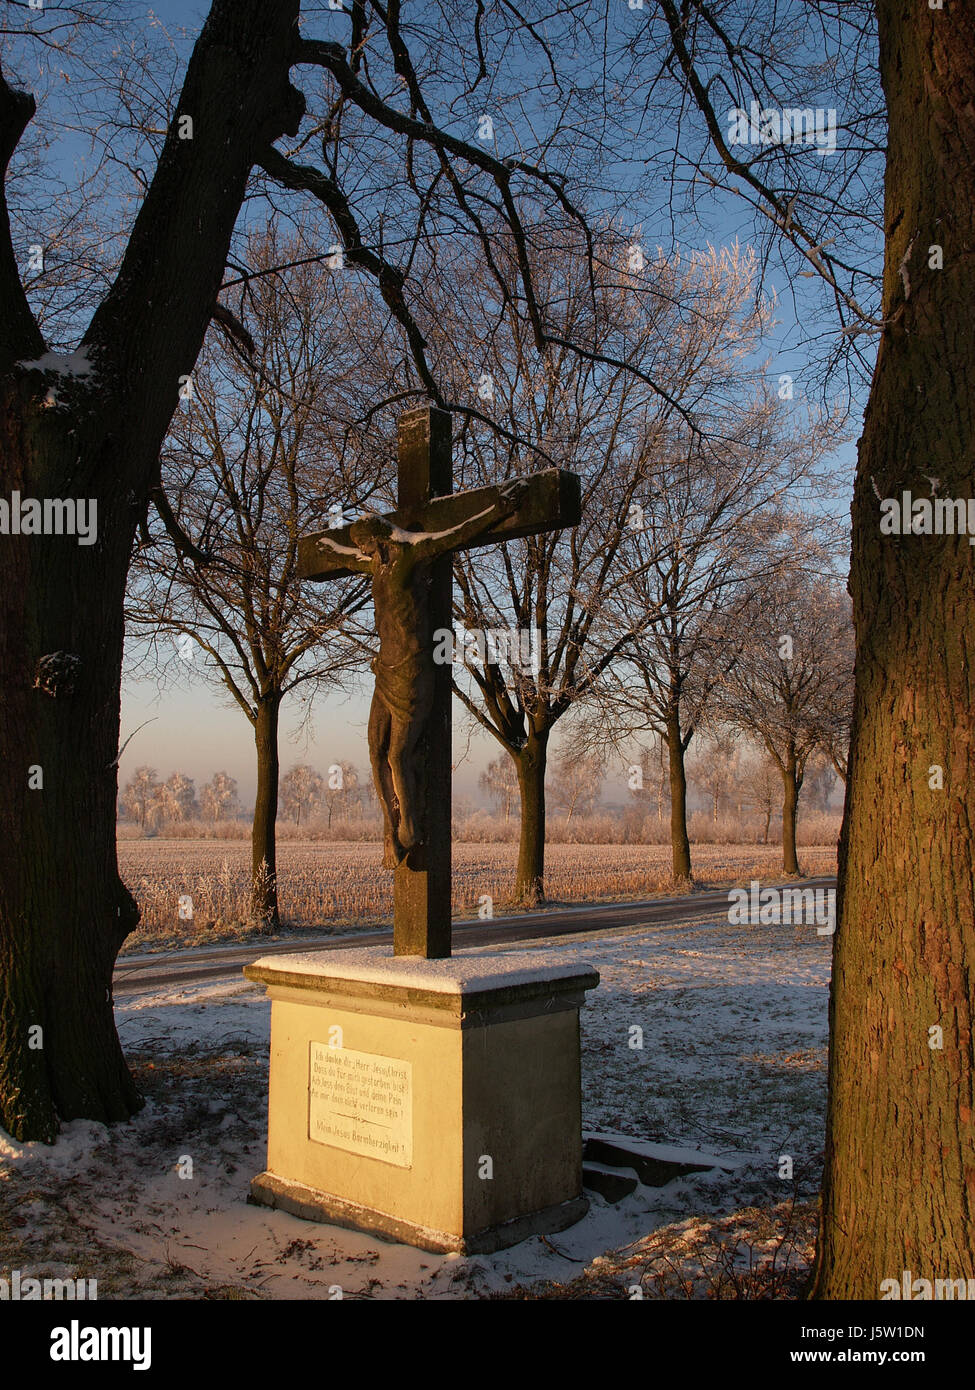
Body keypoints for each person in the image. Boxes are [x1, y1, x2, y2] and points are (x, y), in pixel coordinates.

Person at [320, 478, 528, 866]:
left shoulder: (412, 554)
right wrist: (329, 547)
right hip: (384, 669)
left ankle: (410, 827)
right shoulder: (376, 566)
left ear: (381, 537)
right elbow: (344, 557)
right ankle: (390, 828)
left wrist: (497, 511)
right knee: (374, 751)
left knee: (399, 754)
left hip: (414, 671)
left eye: (368, 544)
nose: (365, 552)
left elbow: (454, 533)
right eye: (362, 548)